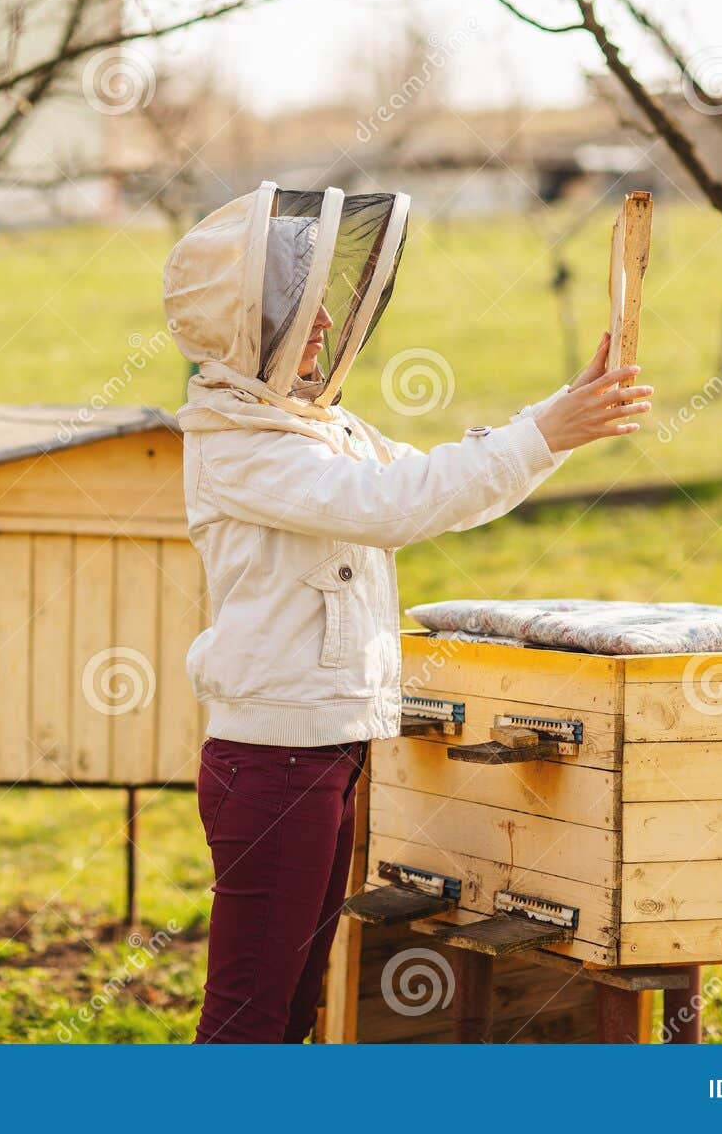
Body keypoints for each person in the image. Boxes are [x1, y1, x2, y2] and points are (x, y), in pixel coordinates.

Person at [162, 184, 651, 1043]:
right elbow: (398, 503)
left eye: (320, 308)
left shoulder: (308, 426)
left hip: (325, 749)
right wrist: (553, 435)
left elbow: (442, 476)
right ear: (248, 324)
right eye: (299, 308)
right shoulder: (240, 446)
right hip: (274, 762)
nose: (320, 327)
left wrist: (553, 415)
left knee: (294, 1005)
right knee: (247, 1012)